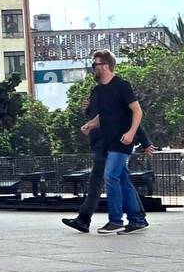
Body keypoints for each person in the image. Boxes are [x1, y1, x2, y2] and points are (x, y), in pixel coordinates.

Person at [62, 74, 156, 234]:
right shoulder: (97, 91)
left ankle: (108, 220)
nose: (94, 70)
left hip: (115, 142)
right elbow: (99, 115)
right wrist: (88, 112)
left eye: (96, 65)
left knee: (105, 178)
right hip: (102, 142)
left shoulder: (120, 88)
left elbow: (131, 117)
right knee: (121, 179)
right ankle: (137, 218)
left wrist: (144, 141)